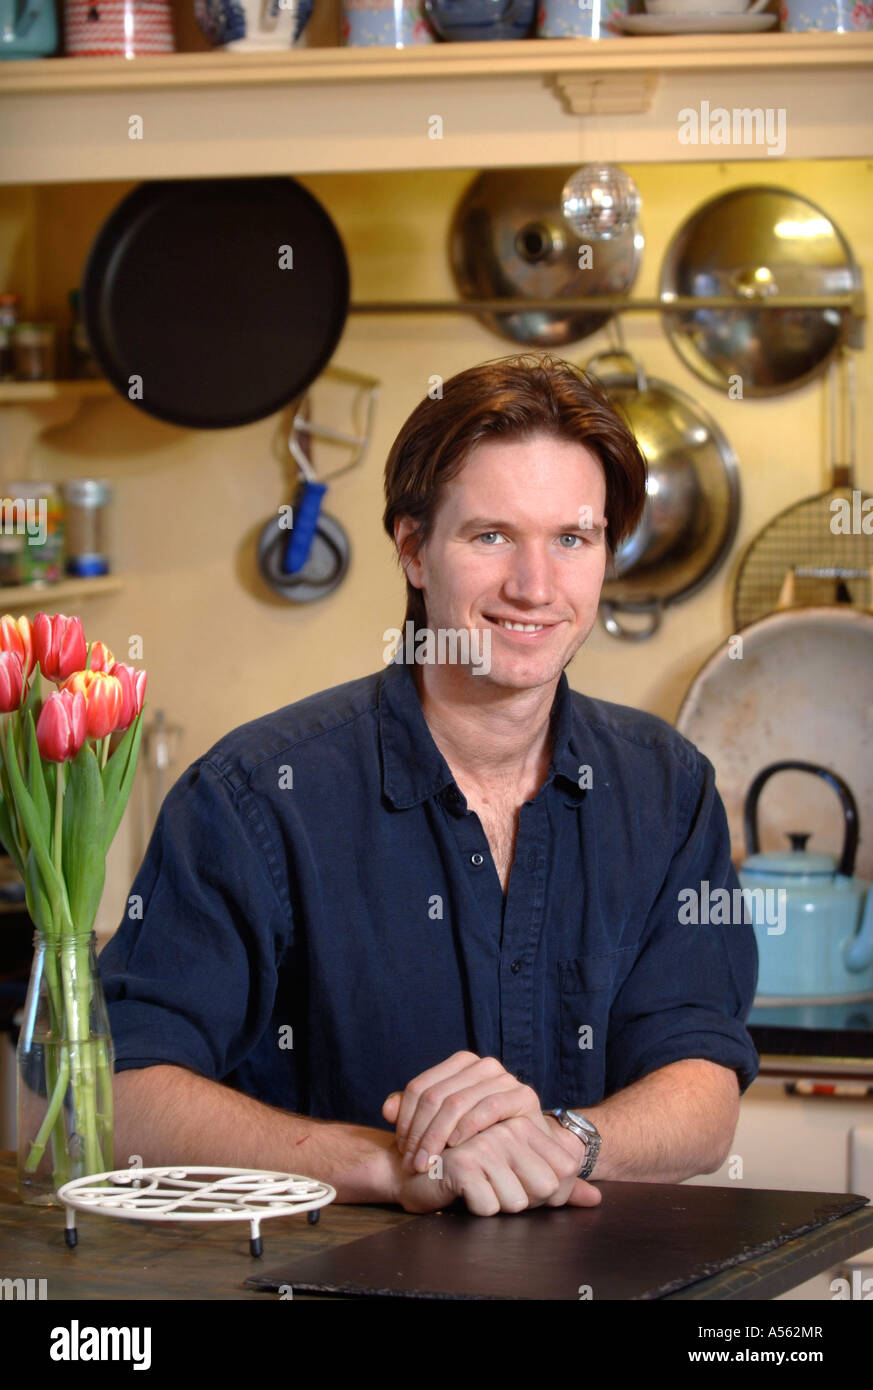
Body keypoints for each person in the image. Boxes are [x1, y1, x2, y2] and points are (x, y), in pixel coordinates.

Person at [100, 353, 759, 1218]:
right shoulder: (255, 796)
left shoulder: (666, 788)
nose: (535, 586)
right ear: (412, 549)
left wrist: (561, 1141)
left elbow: (702, 1090)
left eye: (572, 538)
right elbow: (114, 1096)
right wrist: (387, 1164)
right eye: (490, 536)